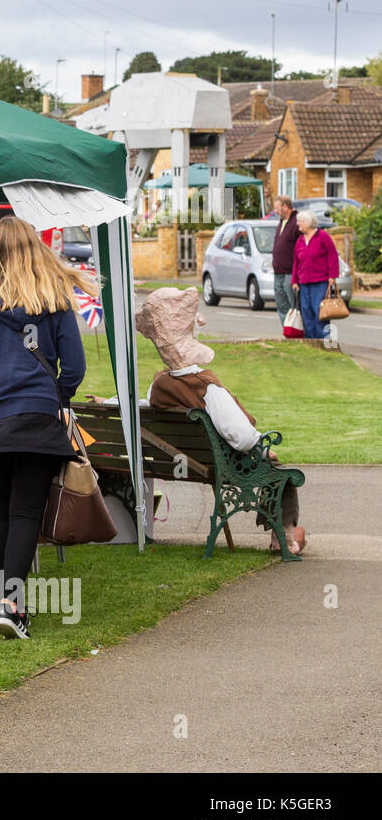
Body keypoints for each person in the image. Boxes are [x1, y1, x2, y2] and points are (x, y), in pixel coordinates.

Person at [0, 215, 96, 640]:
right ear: (36, 248)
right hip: (35, 417)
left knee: (4, 512)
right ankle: (11, 608)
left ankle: (6, 600)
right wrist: (56, 398)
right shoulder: (54, 299)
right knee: (26, 511)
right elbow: (75, 367)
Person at [135, 287, 307, 555]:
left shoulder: (159, 385)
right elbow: (242, 437)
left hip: (184, 461)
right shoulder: (207, 388)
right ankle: (283, 532)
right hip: (223, 464)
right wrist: (262, 446)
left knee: (268, 461)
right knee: (279, 469)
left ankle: (282, 530)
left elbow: (145, 407)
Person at [291, 211, 340, 346]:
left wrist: (332, 277)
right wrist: (294, 280)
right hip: (304, 283)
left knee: (320, 313)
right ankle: (311, 342)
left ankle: (324, 342)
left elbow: (332, 256)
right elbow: (296, 261)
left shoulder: (323, 236)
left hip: (320, 282)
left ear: (308, 222)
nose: (297, 224)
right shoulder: (300, 240)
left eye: (300, 221)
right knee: (306, 313)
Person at [270, 195, 298, 325]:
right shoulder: (281, 222)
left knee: (293, 306)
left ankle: (296, 332)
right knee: (281, 305)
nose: (275, 211)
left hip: (290, 272)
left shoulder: (296, 223)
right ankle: (287, 332)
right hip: (278, 272)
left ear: (285, 207)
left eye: (277, 208)